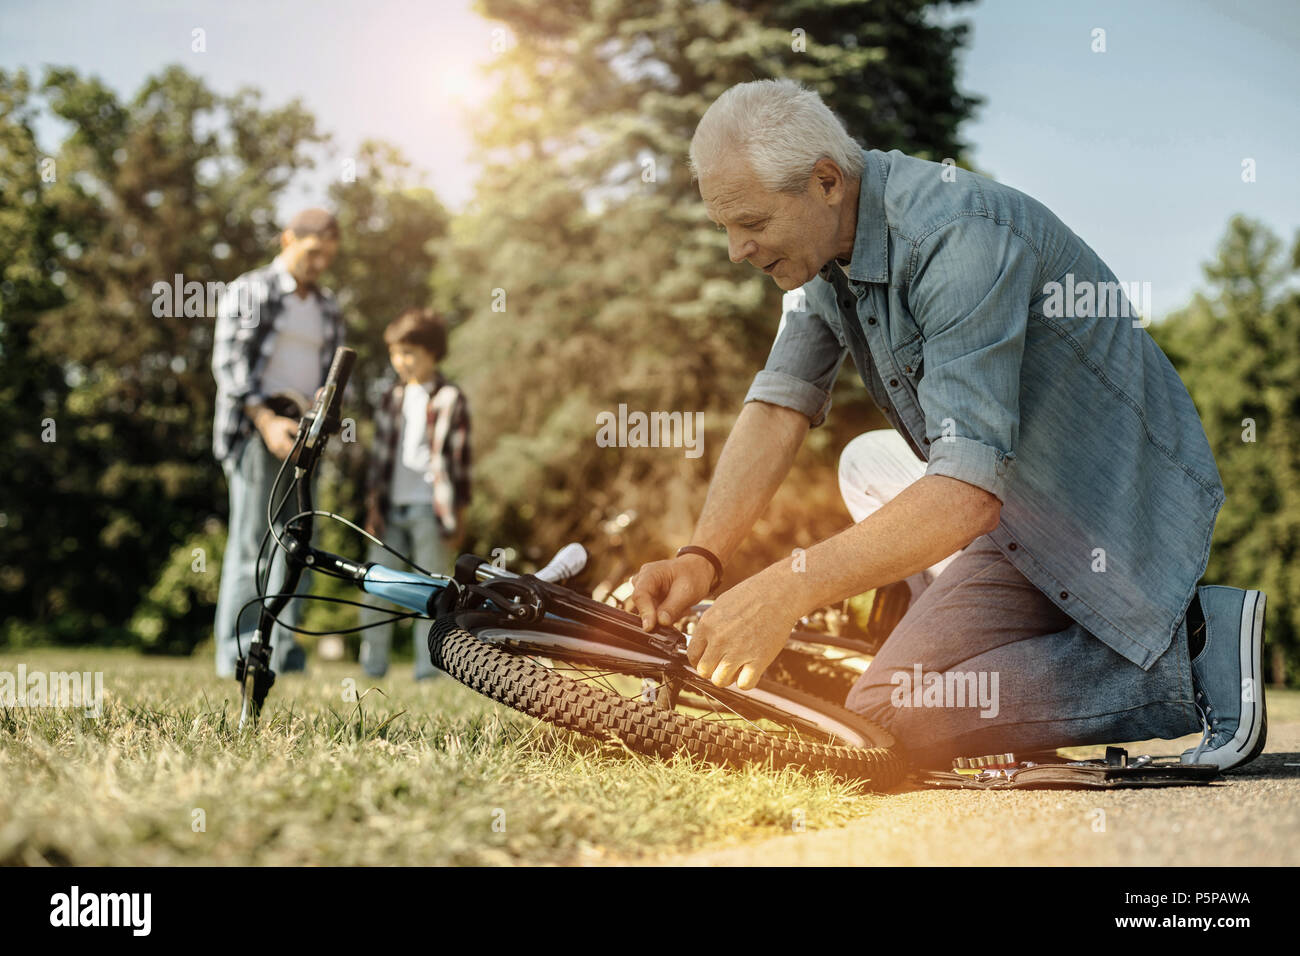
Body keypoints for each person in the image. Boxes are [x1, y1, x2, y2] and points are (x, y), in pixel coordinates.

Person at [630, 79, 1267, 772]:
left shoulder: (955, 239)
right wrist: (702, 560)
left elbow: (966, 494)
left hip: (1108, 510)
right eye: (724, 227)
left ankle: (1203, 650)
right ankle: (1014, 720)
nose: (735, 250)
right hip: (1014, 519)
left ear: (825, 182)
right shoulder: (822, 263)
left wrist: (786, 588)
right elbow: (779, 406)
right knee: (881, 692)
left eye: (750, 223)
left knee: (887, 715)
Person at [211, 208, 344, 678]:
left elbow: (331, 374)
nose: (318, 263)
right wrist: (266, 420)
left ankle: (284, 654)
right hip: (254, 434)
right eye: (311, 252)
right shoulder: (251, 290)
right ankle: (239, 653)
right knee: (252, 544)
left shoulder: (328, 306)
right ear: (288, 238)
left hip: (304, 440)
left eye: (327, 256)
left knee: (298, 547)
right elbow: (229, 366)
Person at [361, 308, 471, 679]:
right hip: (390, 509)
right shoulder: (390, 398)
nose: (401, 362)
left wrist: (459, 516)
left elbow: (460, 464)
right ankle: (372, 666)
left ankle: (429, 671)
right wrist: (372, 507)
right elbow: (377, 461)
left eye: (410, 353)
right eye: (395, 353)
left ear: (433, 354)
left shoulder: (450, 398)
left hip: (432, 510)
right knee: (377, 585)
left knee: (433, 591)